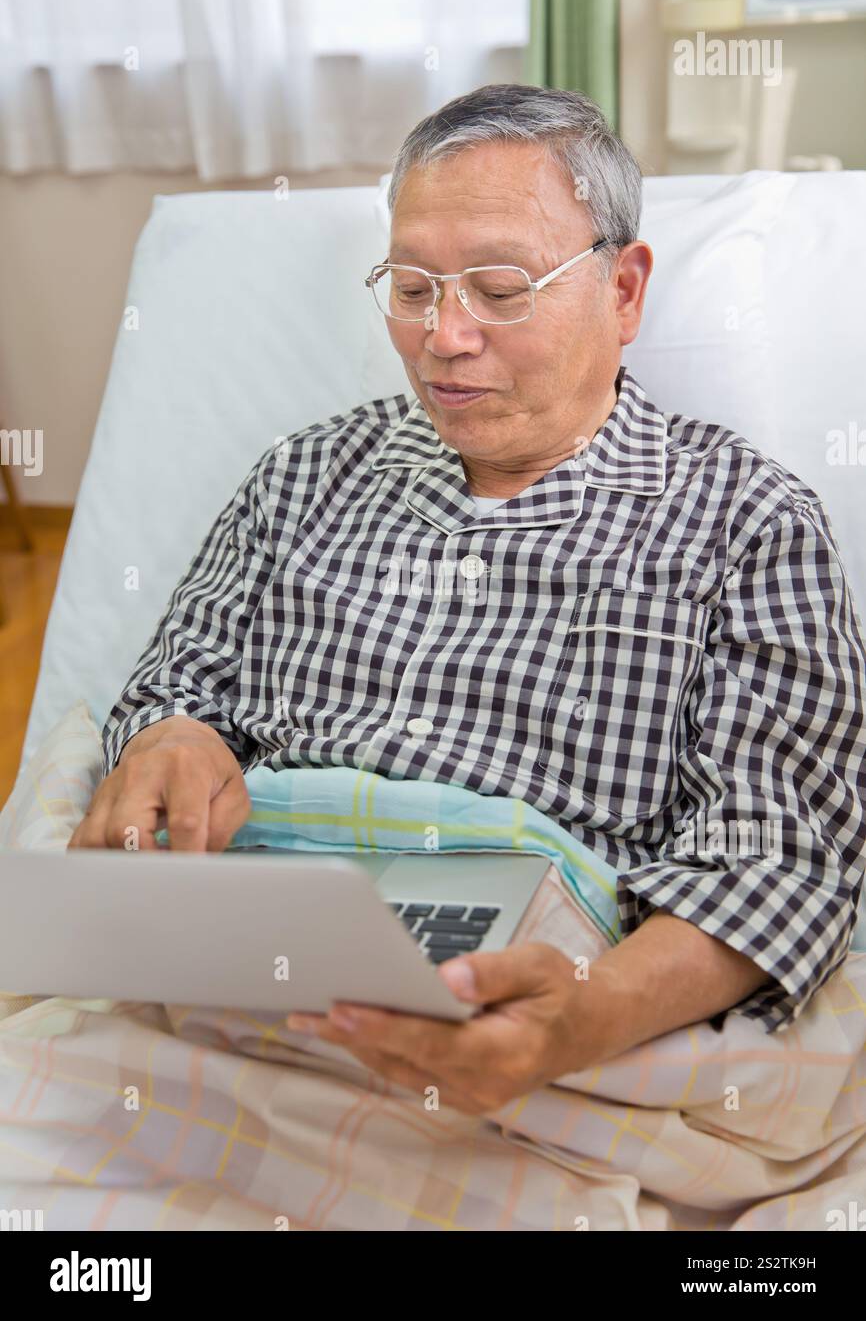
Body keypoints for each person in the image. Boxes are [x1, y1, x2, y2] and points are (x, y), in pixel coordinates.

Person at [69, 85, 866, 1112]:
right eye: (410, 287)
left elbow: (780, 853)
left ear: (622, 291)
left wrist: (584, 1009)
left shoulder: (745, 524)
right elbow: (176, 682)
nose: (443, 338)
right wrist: (173, 737)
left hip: (544, 1012)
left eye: (497, 288)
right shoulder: (302, 476)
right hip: (243, 959)